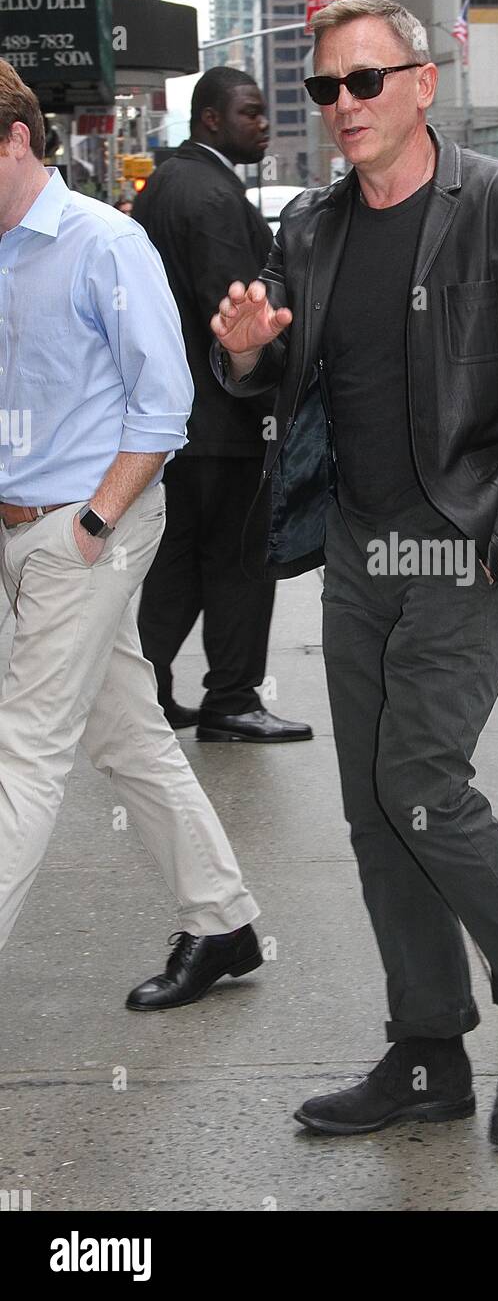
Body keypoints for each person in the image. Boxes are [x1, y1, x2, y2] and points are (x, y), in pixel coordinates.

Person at [210, 0, 498, 1147]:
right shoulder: (313, 227)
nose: (344, 107)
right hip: (358, 544)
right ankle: (428, 1050)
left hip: (464, 539)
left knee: (421, 779)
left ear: (424, 84)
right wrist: (245, 359)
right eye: (326, 89)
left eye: (365, 82)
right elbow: (282, 379)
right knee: (375, 808)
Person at [0, 60, 262, 1010]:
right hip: (20, 532)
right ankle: (223, 921)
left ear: (17, 138)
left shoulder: (104, 243)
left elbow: (166, 404)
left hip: (84, 528)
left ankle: (221, 919)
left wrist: (95, 524)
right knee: (127, 734)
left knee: (23, 751)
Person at [132, 68, 312, 743]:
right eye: (250, 113)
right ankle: (232, 699)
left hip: (177, 420)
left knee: (182, 561)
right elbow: (237, 310)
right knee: (240, 561)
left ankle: (144, 692)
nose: (261, 124)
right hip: (223, 418)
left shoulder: (169, 183)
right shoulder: (209, 194)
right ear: (211, 118)